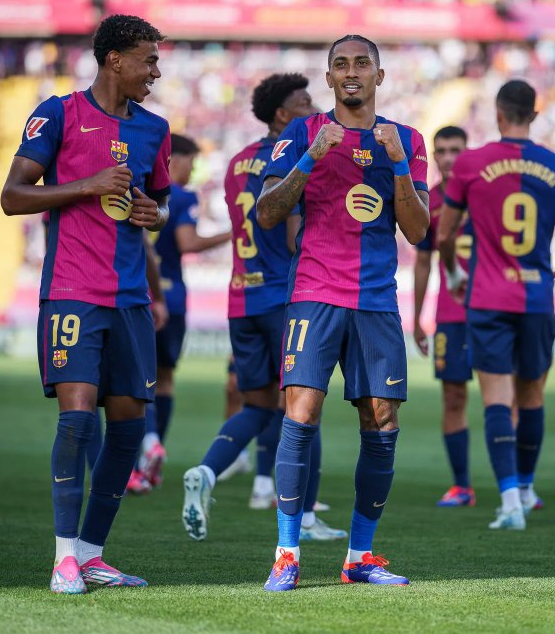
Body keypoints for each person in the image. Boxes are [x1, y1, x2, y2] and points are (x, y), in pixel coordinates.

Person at [0, 14, 170, 593]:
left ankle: (93, 554)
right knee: (76, 420)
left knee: (127, 429)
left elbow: (160, 206)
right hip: (72, 291)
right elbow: (12, 196)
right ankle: (62, 558)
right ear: (115, 59)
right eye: (148, 58)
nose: (156, 70)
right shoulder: (58, 113)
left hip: (130, 300)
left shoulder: (156, 130)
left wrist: (156, 214)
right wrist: (87, 186)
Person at [254, 35, 429, 591]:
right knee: (300, 414)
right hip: (315, 292)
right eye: (340, 65)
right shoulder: (302, 133)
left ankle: (360, 555)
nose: (351, 72)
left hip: (376, 300)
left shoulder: (407, 140)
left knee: (382, 420)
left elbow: (421, 231)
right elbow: (266, 212)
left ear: (381, 75)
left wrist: (399, 167)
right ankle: (286, 552)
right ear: (328, 78)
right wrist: (311, 157)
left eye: (362, 64)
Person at [437, 80, 555, 531]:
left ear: (498, 114)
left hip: (488, 298)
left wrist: (455, 273)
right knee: (532, 395)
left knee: (496, 397)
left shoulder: (472, 164)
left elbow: (445, 233)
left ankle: (511, 500)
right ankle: (528, 485)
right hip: (537, 297)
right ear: (533, 115)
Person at [182, 73, 345, 542]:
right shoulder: (292, 155)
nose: (314, 108)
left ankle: (209, 473)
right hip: (283, 297)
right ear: (282, 114)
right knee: (304, 406)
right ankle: (307, 517)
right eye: (304, 101)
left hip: (242, 296)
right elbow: (293, 234)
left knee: (256, 406)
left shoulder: (236, 163)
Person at [129, 134, 231, 494]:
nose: (193, 169)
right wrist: (231, 235)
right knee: (165, 378)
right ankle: (154, 452)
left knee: (140, 381)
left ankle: (149, 445)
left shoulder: (139, 192)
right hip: (170, 298)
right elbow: (188, 243)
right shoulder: (180, 196)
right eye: (191, 161)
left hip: (139, 294)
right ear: (174, 160)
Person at [412, 125, 477, 507]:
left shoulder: (486, 190)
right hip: (450, 315)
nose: (449, 157)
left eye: (456, 149)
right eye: (442, 151)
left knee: (512, 393)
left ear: (467, 151)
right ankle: (462, 485)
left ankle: (519, 484)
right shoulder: (429, 200)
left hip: (492, 308)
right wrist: (417, 316)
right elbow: (423, 262)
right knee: (453, 397)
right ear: (433, 156)